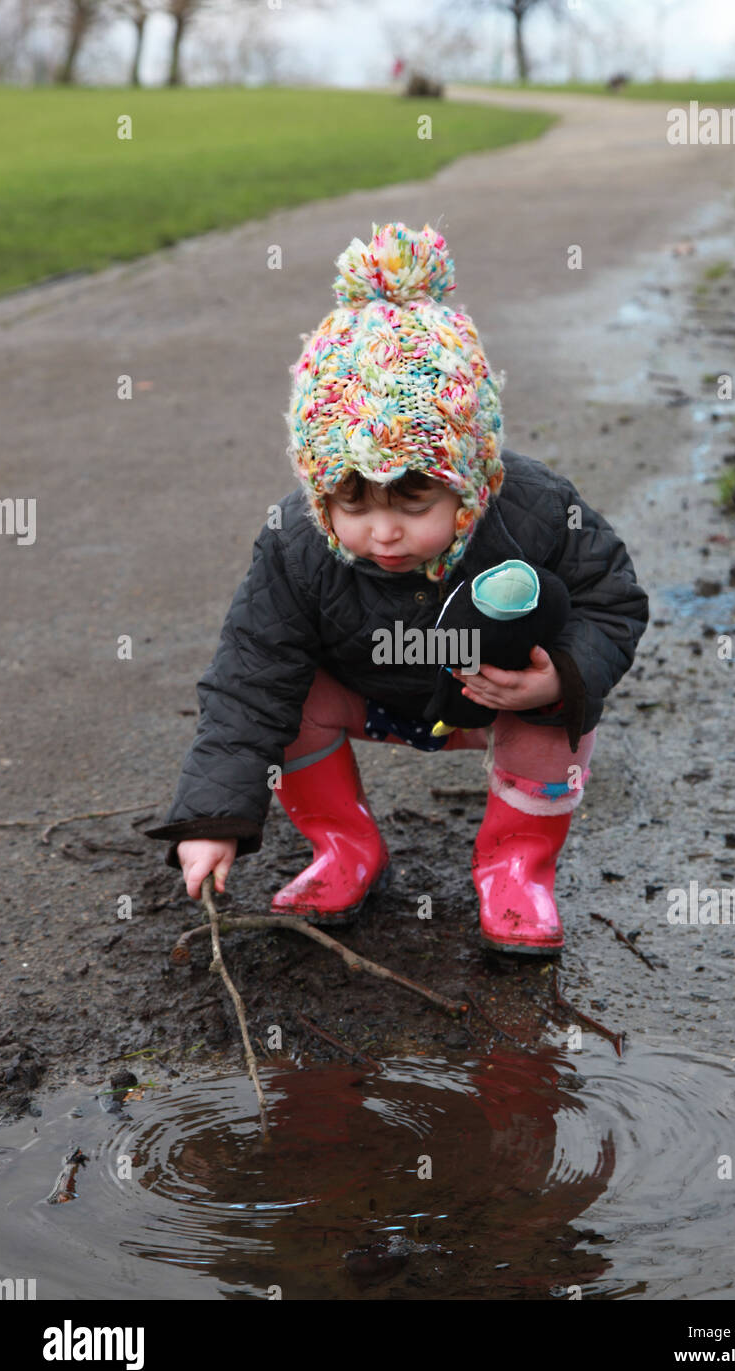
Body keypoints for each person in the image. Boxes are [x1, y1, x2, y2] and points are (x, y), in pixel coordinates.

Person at [144, 221, 648, 955]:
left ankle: (516, 867)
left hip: (493, 697)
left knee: (560, 713)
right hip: (370, 694)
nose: (382, 534)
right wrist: (213, 819)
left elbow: (613, 602)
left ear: (471, 481)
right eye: (353, 506)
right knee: (290, 696)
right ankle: (345, 847)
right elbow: (249, 677)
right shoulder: (297, 545)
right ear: (321, 495)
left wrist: (559, 680)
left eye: (413, 506)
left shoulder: (538, 511)